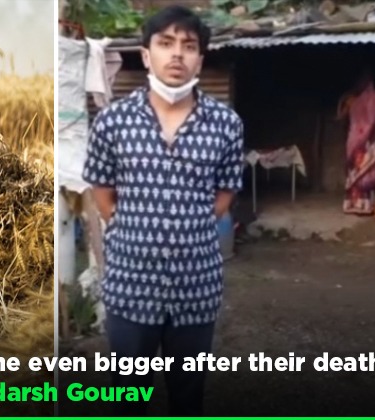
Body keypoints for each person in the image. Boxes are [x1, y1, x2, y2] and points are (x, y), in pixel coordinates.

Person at [81, 5, 244, 416]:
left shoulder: (225, 124)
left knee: (188, 396)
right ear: (146, 54)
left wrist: (194, 226)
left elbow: (226, 190)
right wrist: (125, 225)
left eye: (188, 46)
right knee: (129, 395)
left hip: (196, 286)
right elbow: (102, 187)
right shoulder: (114, 121)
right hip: (131, 284)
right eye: (166, 43)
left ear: (200, 60)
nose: (177, 54)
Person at [337, 68, 375, 215]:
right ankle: (365, 206)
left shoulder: (353, 100)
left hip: (353, 141)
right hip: (368, 142)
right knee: (368, 172)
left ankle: (352, 204)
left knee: (354, 172)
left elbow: (344, 118)